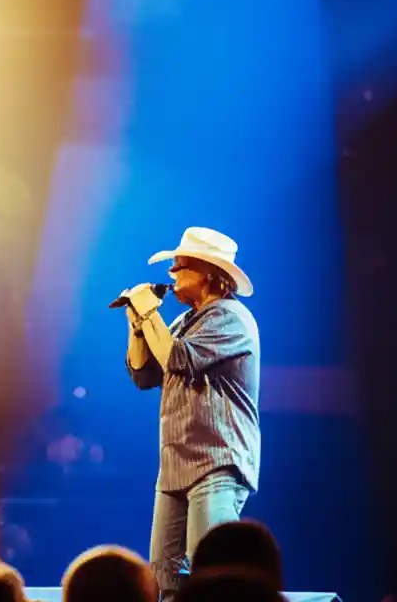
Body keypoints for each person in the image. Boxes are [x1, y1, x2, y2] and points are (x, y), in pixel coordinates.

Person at [119, 227, 261, 602]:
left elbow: (177, 360)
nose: (172, 276)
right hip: (176, 465)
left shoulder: (230, 317)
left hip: (216, 461)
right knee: (164, 574)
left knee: (210, 570)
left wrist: (150, 313)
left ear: (209, 274)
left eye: (179, 267)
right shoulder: (184, 323)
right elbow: (144, 373)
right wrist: (138, 324)